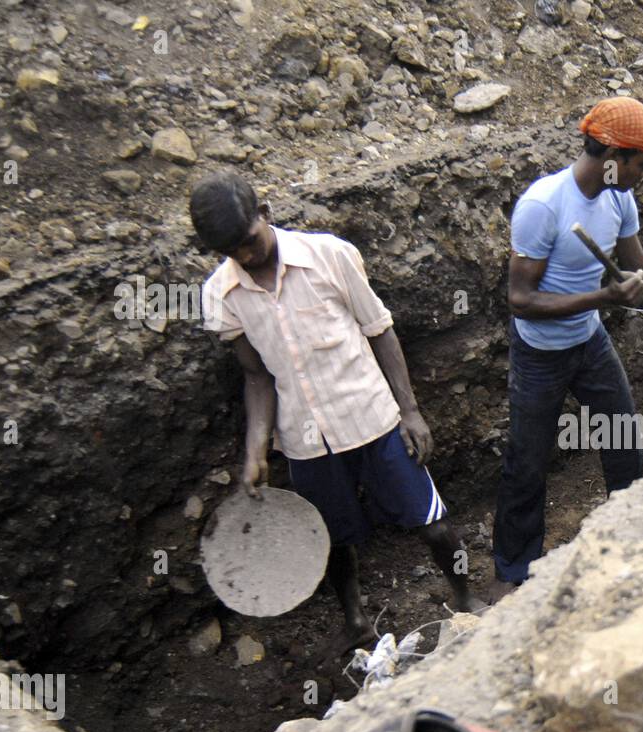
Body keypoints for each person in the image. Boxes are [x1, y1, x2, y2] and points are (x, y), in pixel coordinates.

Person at [190, 170, 480, 648]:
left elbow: (379, 329)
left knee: (432, 522)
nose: (245, 256)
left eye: (249, 240)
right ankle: (356, 621)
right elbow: (257, 376)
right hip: (306, 441)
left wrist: (409, 410)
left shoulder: (329, 255)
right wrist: (255, 450)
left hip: (372, 418)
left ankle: (466, 598)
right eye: (231, 251)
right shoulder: (221, 295)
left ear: (265, 214)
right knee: (332, 540)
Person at [492, 97, 643, 587]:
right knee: (528, 462)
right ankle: (516, 572)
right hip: (539, 354)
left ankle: (630, 536)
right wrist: (605, 296)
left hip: (589, 342)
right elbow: (520, 299)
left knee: (623, 440)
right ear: (613, 155)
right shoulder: (543, 206)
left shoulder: (619, 197)